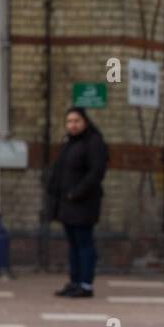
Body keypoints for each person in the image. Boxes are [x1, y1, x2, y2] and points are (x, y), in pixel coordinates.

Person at [47, 106, 110, 299]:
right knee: (73, 245)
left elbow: (96, 172)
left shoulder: (94, 142)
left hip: (84, 203)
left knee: (84, 244)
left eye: (76, 121)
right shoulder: (69, 143)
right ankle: (74, 281)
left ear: (85, 122)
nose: (72, 125)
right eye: (69, 122)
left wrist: (77, 192)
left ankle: (85, 284)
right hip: (67, 204)